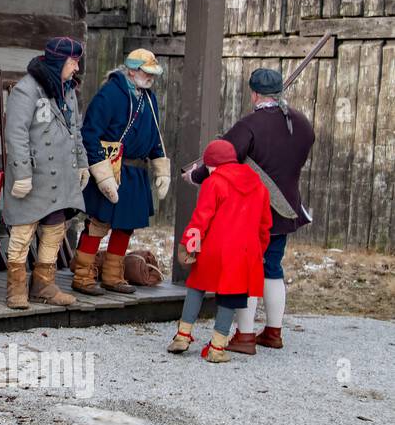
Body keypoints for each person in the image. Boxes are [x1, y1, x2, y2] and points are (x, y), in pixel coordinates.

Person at [184, 68, 315, 353]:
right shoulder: (302, 123)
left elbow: (222, 161)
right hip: (286, 208)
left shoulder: (249, 126)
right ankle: (274, 332)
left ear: (254, 93)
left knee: (247, 270)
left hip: (248, 212)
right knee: (272, 268)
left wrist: (195, 176)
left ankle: (244, 336)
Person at [2, 37, 93, 311]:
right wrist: (21, 173)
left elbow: (75, 131)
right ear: (58, 61)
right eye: (72, 62)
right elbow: (15, 133)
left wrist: (82, 163)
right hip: (34, 175)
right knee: (23, 231)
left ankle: (43, 286)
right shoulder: (26, 90)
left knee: (54, 230)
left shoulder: (68, 92)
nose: (76, 67)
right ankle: (16, 289)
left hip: (61, 177)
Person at [73, 49, 171, 295]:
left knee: (125, 226)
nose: (150, 78)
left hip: (136, 173)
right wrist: (101, 173)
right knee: (98, 223)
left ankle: (112, 275)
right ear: (131, 70)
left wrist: (160, 165)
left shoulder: (149, 98)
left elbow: (155, 134)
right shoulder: (110, 95)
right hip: (112, 169)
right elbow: (90, 134)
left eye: (152, 74)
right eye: (146, 72)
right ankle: (83, 275)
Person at [169, 139, 272, 363]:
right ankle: (217, 347)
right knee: (231, 295)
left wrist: (190, 241)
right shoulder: (259, 186)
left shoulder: (213, 182)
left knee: (196, 286)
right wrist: (258, 250)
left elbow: (201, 218)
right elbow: (265, 225)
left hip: (214, 248)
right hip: (244, 252)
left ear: (212, 164)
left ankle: (182, 336)